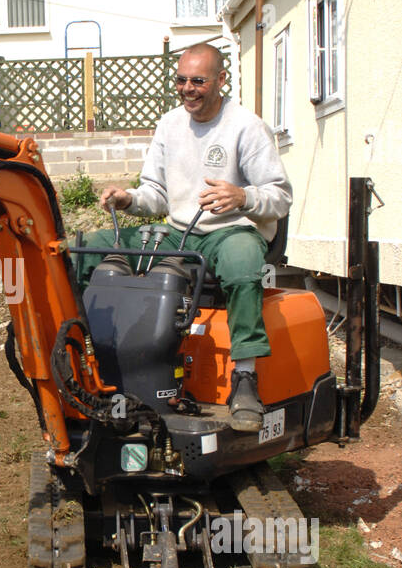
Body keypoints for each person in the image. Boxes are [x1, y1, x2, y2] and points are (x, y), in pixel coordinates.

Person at [75, 42, 292, 432]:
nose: (188, 88)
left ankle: (244, 379)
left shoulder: (246, 126)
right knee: (85, 248)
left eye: (198, 81)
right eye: (181, 80)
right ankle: (85, 357)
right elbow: (155, 194)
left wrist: (242, 196)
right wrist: (128, 198)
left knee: (244, 267)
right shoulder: (169, 125)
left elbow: (280, 196)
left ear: (221, 80)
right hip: (179, 234)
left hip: (231, 231)